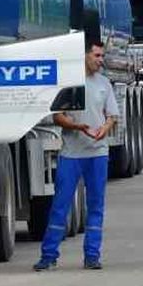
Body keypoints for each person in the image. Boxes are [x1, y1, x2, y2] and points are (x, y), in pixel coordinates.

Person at [33, 40, 118, 271]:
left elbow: (112, 115)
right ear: (84, 56)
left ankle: (92, 255)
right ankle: (49, 255)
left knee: (96, 205)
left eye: (102, 56)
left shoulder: (104, 84)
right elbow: (57, 116)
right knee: (60, 205)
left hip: (98, 153)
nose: (100, 60)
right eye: (97, 56)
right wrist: (78, 127)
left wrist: (104, 129)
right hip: (72, 153)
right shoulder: (69, 84)